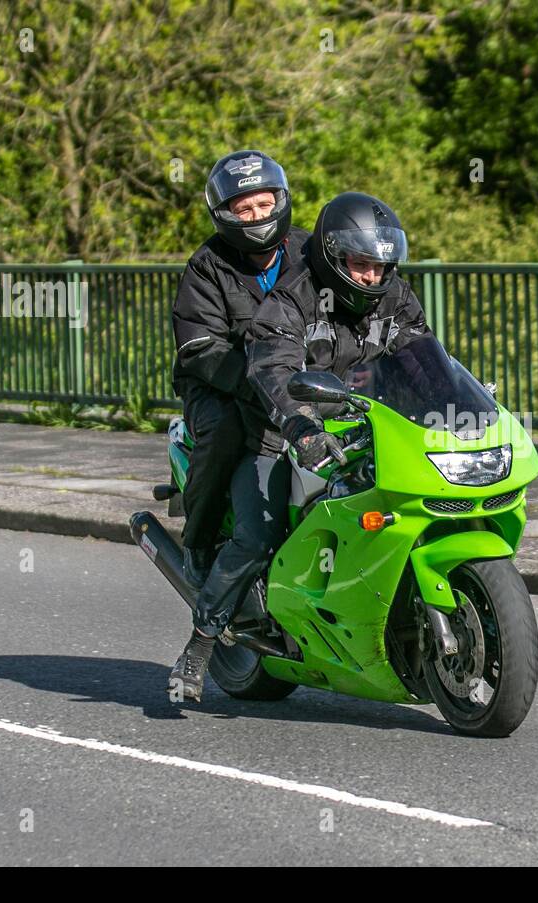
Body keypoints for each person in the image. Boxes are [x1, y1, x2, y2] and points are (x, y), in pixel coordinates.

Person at [167, 191, 433, 702]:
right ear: (334, 256)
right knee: (257, 535)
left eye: (380, 266)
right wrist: (301, 429)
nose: (372, 277)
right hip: (270, 432)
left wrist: (452, 407)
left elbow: (420, 352)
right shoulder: (290, 301)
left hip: (353, 422)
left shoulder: (393, 294)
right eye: (360, 265)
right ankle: (199, 646)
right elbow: (271, 369)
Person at [167, 150, 308, 700]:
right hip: (220, 384)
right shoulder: (208, 266)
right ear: (224, 214)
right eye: (243, 207)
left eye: (263, 202)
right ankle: (200, 544)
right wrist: (260, 386)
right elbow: (201, 347)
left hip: (293, 385)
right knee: (226, 431)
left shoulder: (307, 254)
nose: (255, 214)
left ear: (280, 199)